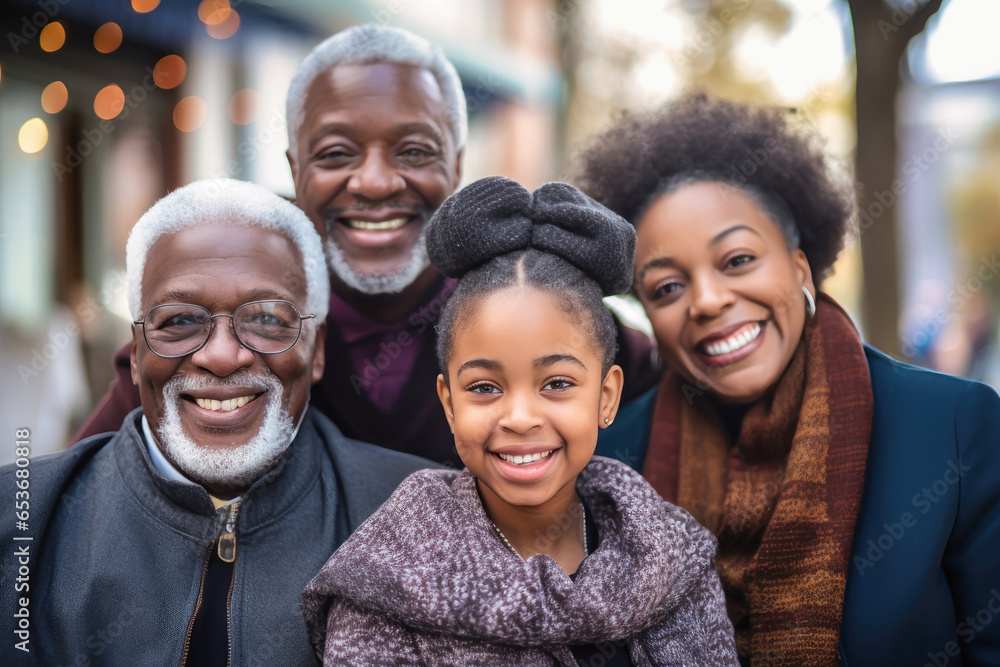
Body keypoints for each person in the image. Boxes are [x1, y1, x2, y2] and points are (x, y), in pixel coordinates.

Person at [73, 24, 659, 465]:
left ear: (455, 165)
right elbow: (80, 487)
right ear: (295, 170)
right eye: (336, 154)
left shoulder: (519, 298)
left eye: (414, 151)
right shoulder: (235, 311)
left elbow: (660, 380)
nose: (376, 183)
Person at [574, 95, 1000, 666]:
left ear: (801, 268)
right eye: (668, 288)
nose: (708, 301)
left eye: (737, 260)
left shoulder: (953, 426)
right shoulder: (610, 460)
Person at [302, 177, 739, 666]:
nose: (520, 418)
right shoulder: (385, 582)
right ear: (449, 404)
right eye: (484, 388)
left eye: (557, 383)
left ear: (607, 396)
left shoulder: (673, 559)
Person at [0, 180, 433, 665]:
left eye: (267, 319)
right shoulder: (16, 522)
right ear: (136, 354)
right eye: (181, 320)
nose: (223, 356)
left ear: (317, 351)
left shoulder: (424, 521)